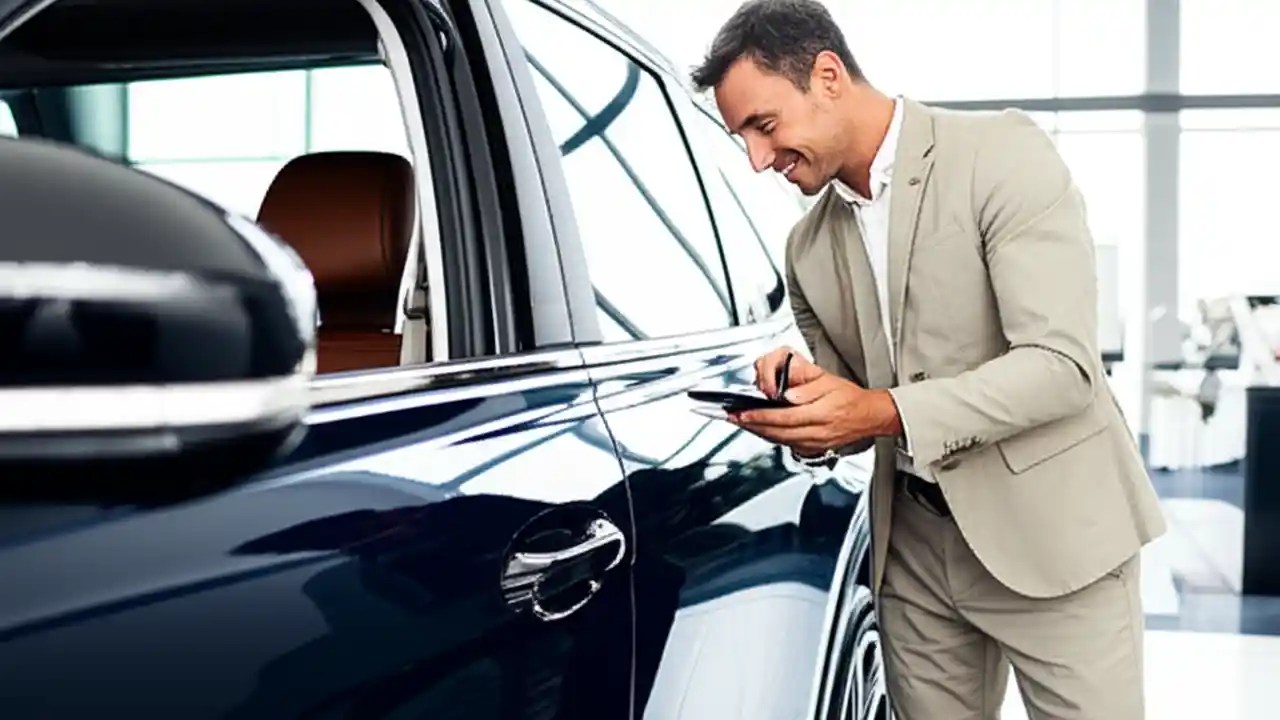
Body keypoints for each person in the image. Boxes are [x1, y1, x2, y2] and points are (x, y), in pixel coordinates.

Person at [689, 1, 1167, 718]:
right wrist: (809, 406)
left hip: (1056, 542)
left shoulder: (1001, 156)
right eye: (744, 140)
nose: (759, 161)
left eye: (764, 126)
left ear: (826, 76)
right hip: (914, 553)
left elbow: (1062, 367)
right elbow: (856, 416)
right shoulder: (807, 249)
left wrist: (878, 409)